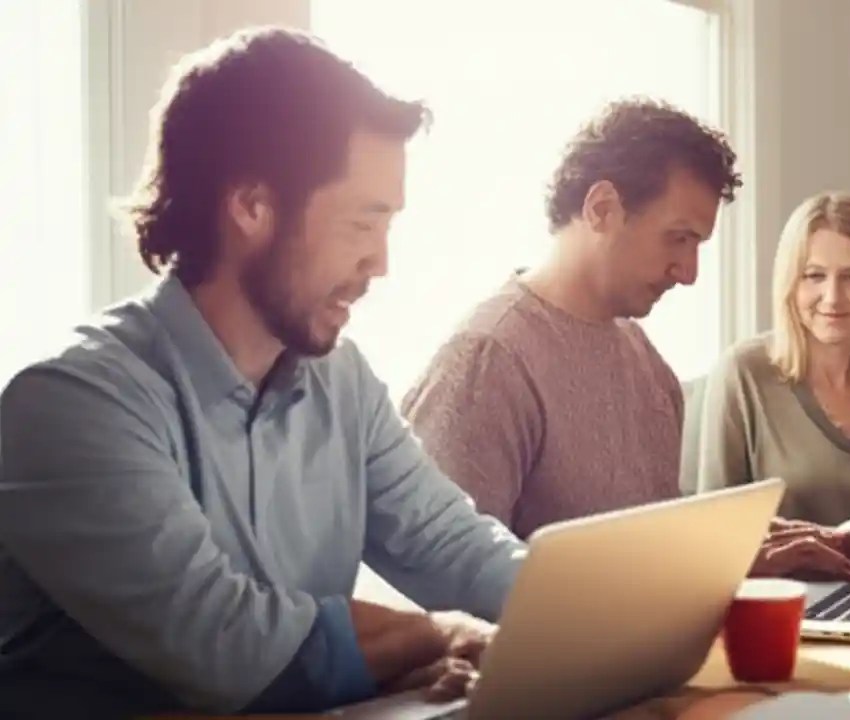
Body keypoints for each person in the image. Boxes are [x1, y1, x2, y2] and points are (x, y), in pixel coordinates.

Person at [0, 28, 521, 719]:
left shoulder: (341, 381)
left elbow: (448, 542)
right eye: (361, 225)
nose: (381, 263)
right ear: (251, 206)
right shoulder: (71, 405)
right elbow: (229, 647)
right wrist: (434, 635)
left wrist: (595, 610)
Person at [400, 99, 850, 577]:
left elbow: (668, 550)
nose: (689, 272)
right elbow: (449, 580)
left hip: (649, 663)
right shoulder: (488, 359)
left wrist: (827, 538)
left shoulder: (643, 361)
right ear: (602, 209)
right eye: (678, 239)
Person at [688, 192, 850, 527]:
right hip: (777, 579)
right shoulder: (742, 374)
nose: (832, 298)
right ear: (790, 281)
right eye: (814, 276)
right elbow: (713, 531)